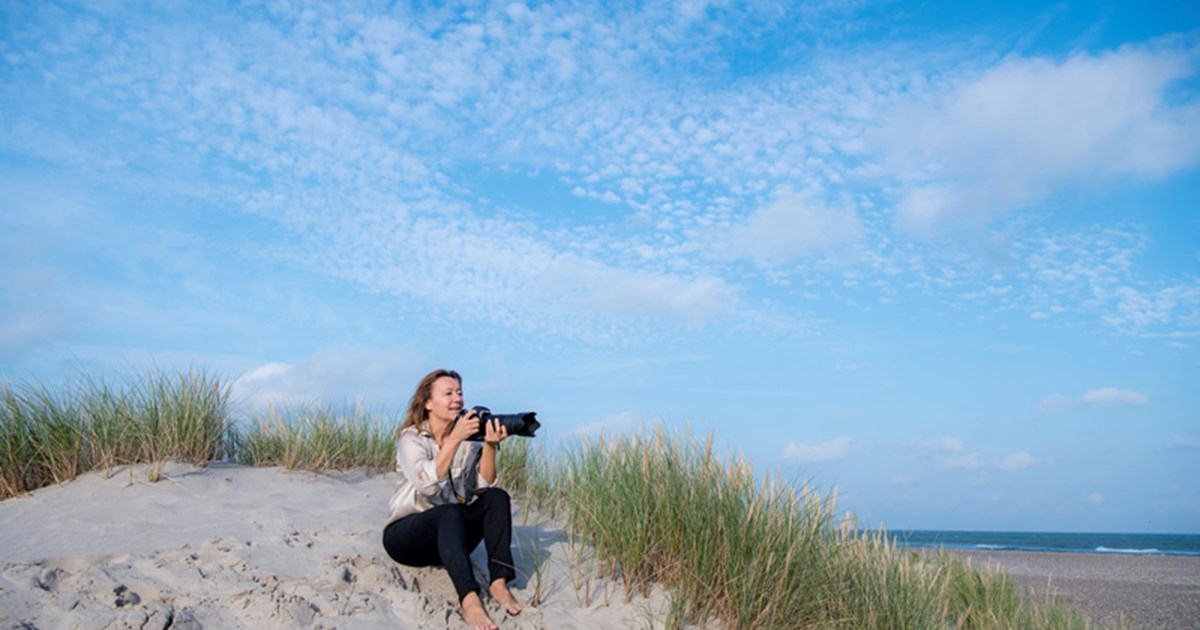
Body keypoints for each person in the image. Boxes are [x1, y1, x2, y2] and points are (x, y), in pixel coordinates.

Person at [382, 369, 523, 630]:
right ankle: (469, 599)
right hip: (407, 538)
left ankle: (498, 583)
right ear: (428, 403)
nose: (457, 399)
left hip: (450, 541)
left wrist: (490, 446)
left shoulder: (469, 440)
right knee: (450, 511)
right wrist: (456, 438)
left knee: (497, 497)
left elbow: (484, 486)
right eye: (448, 394)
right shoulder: (411, 438)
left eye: (459, 392)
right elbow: (427, 484)